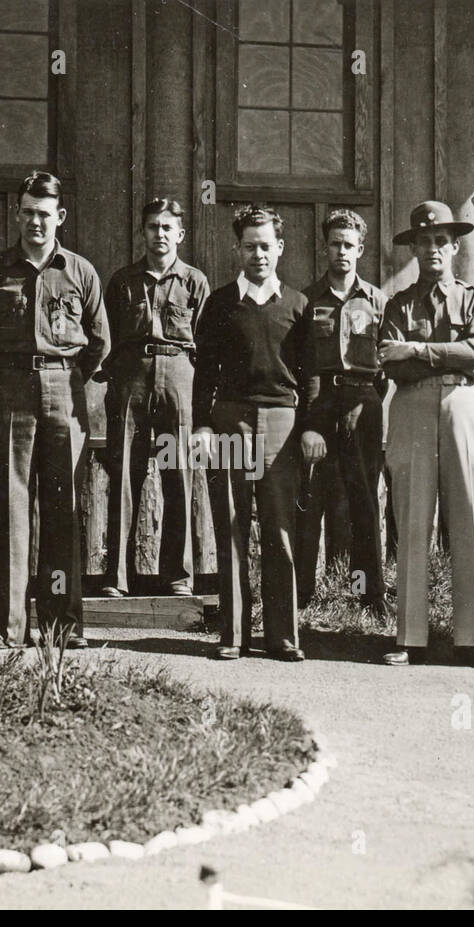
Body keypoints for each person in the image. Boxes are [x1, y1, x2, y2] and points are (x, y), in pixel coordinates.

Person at [0, 170, 109, 651]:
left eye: (44, 214)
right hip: (11, 396)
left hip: (65, 392)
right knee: (12, 507)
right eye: (27, 212)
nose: (35, 222)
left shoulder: (80, 272)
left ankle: (63, 626)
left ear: (59, 216)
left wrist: (65, 379)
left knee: (62, 511)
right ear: (17, 214)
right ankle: (9, 627)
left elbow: (99, 341)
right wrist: (3, 384)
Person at [378, 200, 474, 669]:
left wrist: (417, 348)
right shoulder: (398, 303)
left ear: (454, 246)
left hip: (463, 405)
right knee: (411, 517)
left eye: (440, 242)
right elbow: (391, 359)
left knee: (467, 514)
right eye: (423, 242)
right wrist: (438, 354)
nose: (431, 250)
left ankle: (471, 639)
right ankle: (410, 637)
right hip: (410, 406)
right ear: (414, 249)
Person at [192, 203, 311, 661]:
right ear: (236, 249)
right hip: (231, 419)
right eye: (249, 246)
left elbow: (309, 375)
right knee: (232, 524)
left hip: (282, 421)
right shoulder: (221, 304)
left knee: (280, 529)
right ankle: (234, 634)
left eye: (266, 246)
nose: (258, 254)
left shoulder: (298, 305)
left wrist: (308, 427)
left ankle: (282, 635)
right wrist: (202, 423)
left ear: (279, 248)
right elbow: (204, 372)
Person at [98, 198, 210, 599]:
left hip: (179, 380)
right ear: (143, 232)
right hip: (132, 380)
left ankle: (177, 576)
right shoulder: (123, 281)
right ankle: (117, 576)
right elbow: (107, 337)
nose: (159, 234)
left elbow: (205, 345)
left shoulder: (195, 282)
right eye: (152, 227)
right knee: (125, 476)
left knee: (178, 476)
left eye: (167, 228)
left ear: (180, 234)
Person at [295, 209, 389, 617]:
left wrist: (367, 400)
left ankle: (370, 597)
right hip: (320, 407)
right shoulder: (306, 300)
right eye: (335, 244)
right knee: (311, 499)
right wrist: (311, 424)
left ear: (361, 249)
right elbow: (300, 367)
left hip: (363, 406)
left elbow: (385, 364)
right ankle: (299, 596)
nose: (342, 252)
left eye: (349, 245)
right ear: (325, 247)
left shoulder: (376, 301)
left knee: (365, 501)